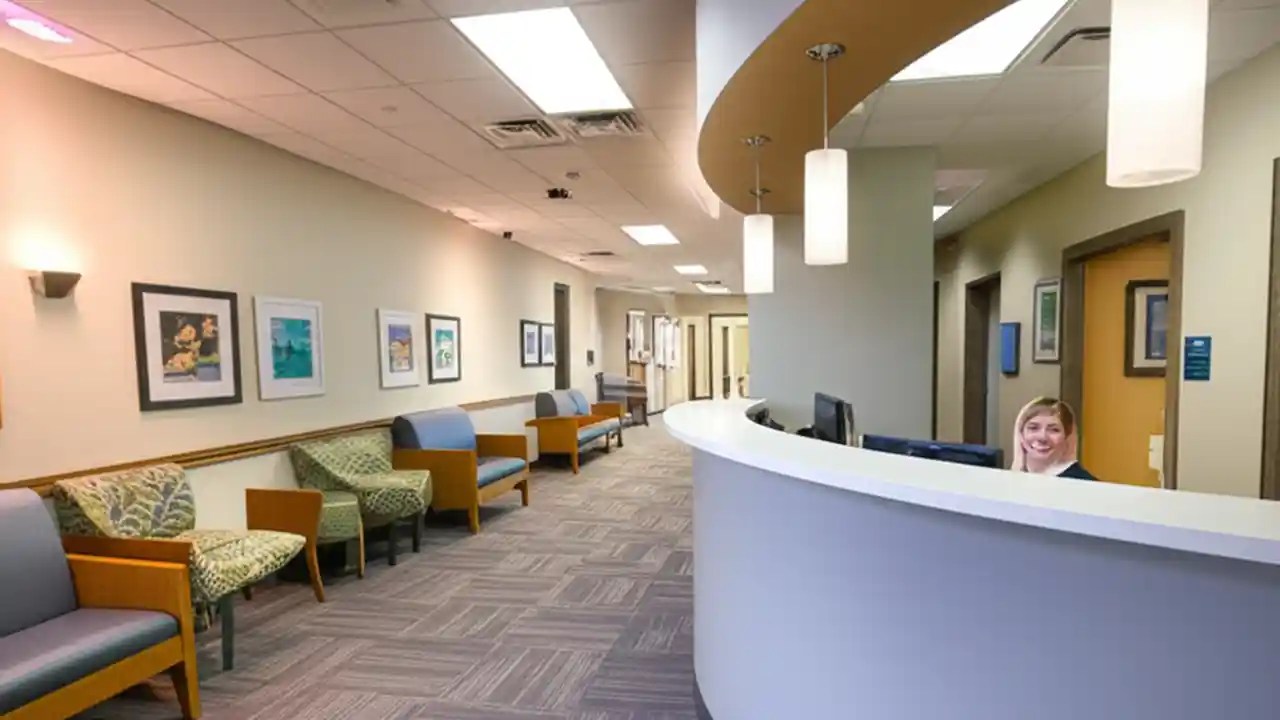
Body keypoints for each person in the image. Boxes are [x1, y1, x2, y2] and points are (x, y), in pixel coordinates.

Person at [1010, 397, 1097, 481]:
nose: (1042, 437)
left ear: (1067, 435)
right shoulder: (1011, 480)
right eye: (1033, 428)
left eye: (1054, 430)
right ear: (1020, 433)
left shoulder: (1086, 485)